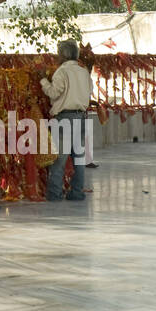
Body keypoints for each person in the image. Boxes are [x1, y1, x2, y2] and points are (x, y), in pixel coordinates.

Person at [41, 40, 92, 201]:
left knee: (59, 159)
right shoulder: (84, 72)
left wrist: (43, 80)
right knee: (79, 158)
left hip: (65, 118)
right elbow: (89, 92)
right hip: (82, 118)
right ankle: (77, 192)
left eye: (58, 53)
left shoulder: (61, 72)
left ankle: (54, 194)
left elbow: (54, 93)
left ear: (63, 54)